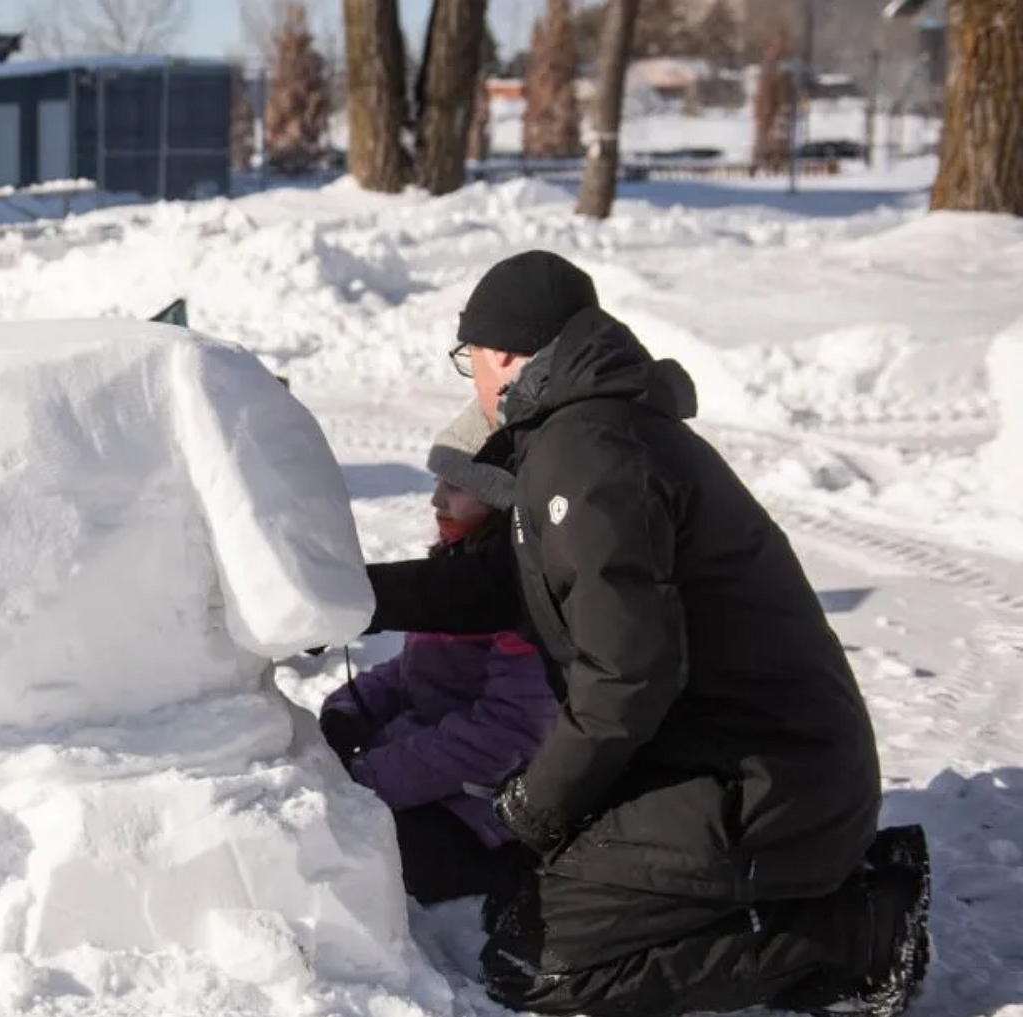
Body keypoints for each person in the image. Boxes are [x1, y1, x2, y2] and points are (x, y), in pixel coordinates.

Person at [361, 249, 931, 1017]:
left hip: (764, 776)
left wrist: (537, 803)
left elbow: (627, 674)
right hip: (739, 761)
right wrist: (358, 595)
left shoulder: (588, 450)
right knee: (526, 904)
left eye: (471, 361)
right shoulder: (586, 433)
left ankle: (856, 931)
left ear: (500, 352)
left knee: (536, 964)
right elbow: (504, 584)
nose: (476, 383)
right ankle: (803, 885)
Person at [318, 403, 554, 906]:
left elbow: (507, 732)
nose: (435, 500)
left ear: (499, 499)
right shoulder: (458, 563)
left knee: (366, 853)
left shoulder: (520, 594)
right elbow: (414, 673)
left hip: (490, 808)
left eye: (456, 487)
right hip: (437, 775)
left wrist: (375, 777)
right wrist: (350, 709)